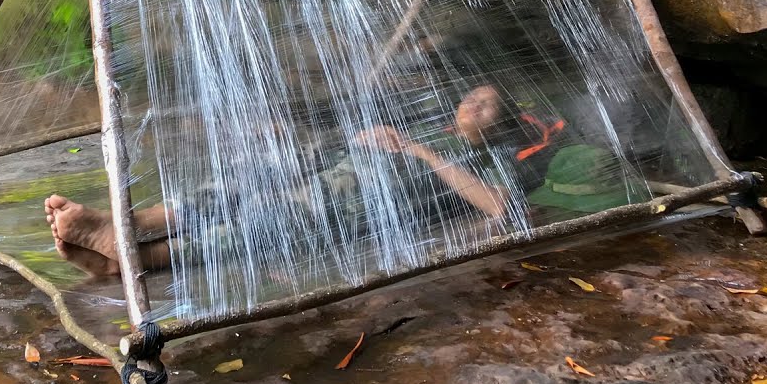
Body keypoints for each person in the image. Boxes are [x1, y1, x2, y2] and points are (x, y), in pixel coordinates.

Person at [46, 83, 572, 278]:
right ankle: (128, 226)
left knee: (265, 220)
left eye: (486, 104)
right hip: (338, 170)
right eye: (471, 95)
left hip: (360, 200)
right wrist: (360, 138)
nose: (471, 104)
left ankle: (130, 258)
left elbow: (500, 207)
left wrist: (417, 150)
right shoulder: (436, 124)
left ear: (501, 122)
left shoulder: (494, 155)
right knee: (240, 182)